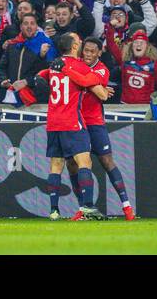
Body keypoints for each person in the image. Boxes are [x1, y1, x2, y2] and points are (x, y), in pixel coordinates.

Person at [37, 31, 111, 220]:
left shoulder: (54, 66)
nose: (81, 42)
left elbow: (39, 78)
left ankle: (54, 211)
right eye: (79, 41)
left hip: (53, 121)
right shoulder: (79, 66)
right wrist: (99, 86)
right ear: (75, 46)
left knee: (55, 165)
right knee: (84, 162)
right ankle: (87, 206)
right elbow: (102, 95)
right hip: (71, 120)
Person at [68, 37, 135, 219]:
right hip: (76, 121)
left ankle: (127, 207)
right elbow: (89, 85)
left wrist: (93, 86)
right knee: (72, 164)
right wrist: (96, 88)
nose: (88, 54)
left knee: (107, 161)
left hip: (95, 122)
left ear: (99, 53)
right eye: (86, 50)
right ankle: (83, 208)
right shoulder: (77, 65)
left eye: (92, 51)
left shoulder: (102, 70)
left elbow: (87, 84)